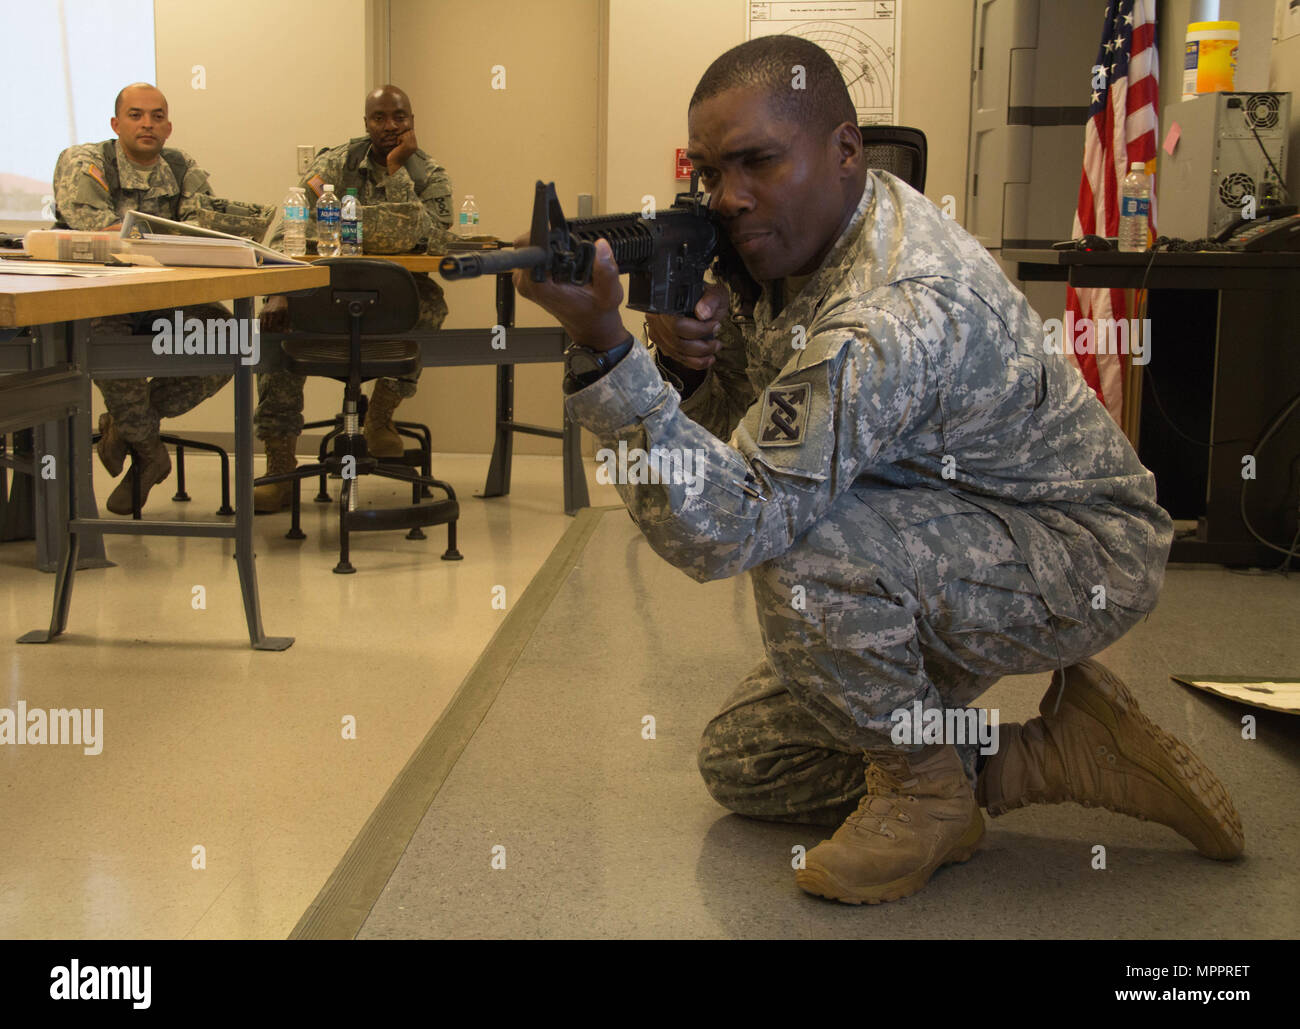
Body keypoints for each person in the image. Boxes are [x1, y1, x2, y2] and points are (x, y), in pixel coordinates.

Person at [512, 36, 1243, 905]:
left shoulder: (893, 309)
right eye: (709, 171)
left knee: (809, 557)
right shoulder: (795, 243)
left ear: (846, 149)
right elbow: (745, 434)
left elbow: (733, 525)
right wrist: (689, 367)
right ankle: (1055, 754)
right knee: (751, 762)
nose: (729, 197)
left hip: (1079, 549)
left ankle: (925, 789)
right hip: (941, 513)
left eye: (758, 162)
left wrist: (608, 354)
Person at [254, 85, 454, 512]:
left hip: (394, 294)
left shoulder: (428, 174)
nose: (389, 127)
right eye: (379, 118)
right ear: (365, 122)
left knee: (432, 305)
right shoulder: (335, 163)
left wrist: (398, 169)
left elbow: (437, 239)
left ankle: (380, 414)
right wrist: (278, 291)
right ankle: (280, 464)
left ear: (412, 120)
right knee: (274, 325)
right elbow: (287, 226)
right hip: (325, 288)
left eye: (399, 117)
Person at [52, 82, 230, 514]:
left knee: (231, 337)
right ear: (116, 124)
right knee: (104, 342)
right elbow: (97, 229)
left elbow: (201, 229)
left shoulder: (181, 166)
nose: (146, 123)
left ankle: (126, 426)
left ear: (168, 126)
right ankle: (149, 454)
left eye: (156, 116)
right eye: (135, 115)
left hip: (162, 297)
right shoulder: (86, 161)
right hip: (101, 299)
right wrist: (168, 238)